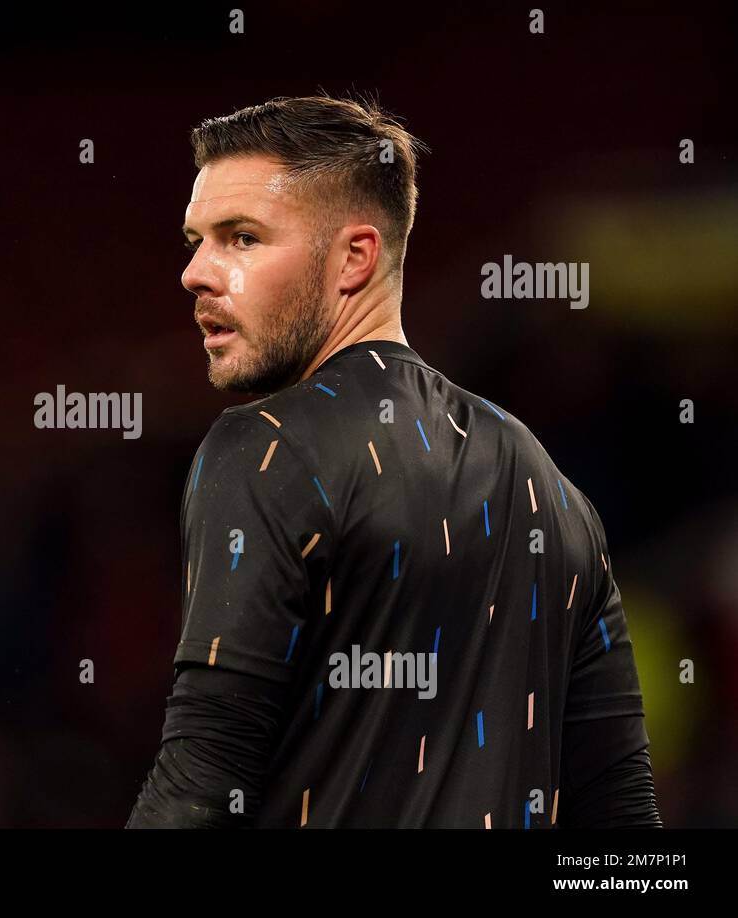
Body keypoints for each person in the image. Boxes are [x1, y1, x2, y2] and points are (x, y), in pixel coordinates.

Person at [125, 95, 661, 828]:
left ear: (355, 257)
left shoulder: (265, 447)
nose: (195, 272)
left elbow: (197, 791)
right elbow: (626, 830)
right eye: (196, 240)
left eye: (241, 238)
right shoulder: (550, 486)